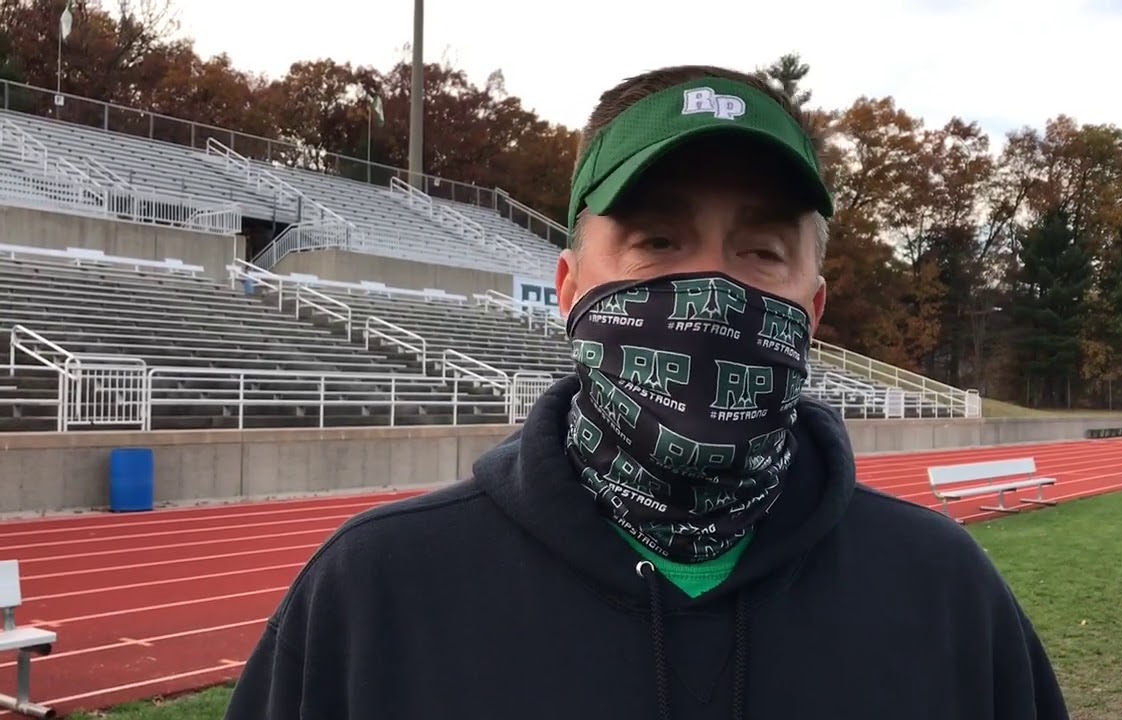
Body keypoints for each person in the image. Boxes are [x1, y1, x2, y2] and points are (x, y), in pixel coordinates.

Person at [222, 65, 1070, 720]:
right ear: (568, 286)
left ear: (813, 308)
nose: (710, 284)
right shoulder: (376, 593)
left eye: (761, 251)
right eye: (658, 240)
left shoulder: (943, 591)